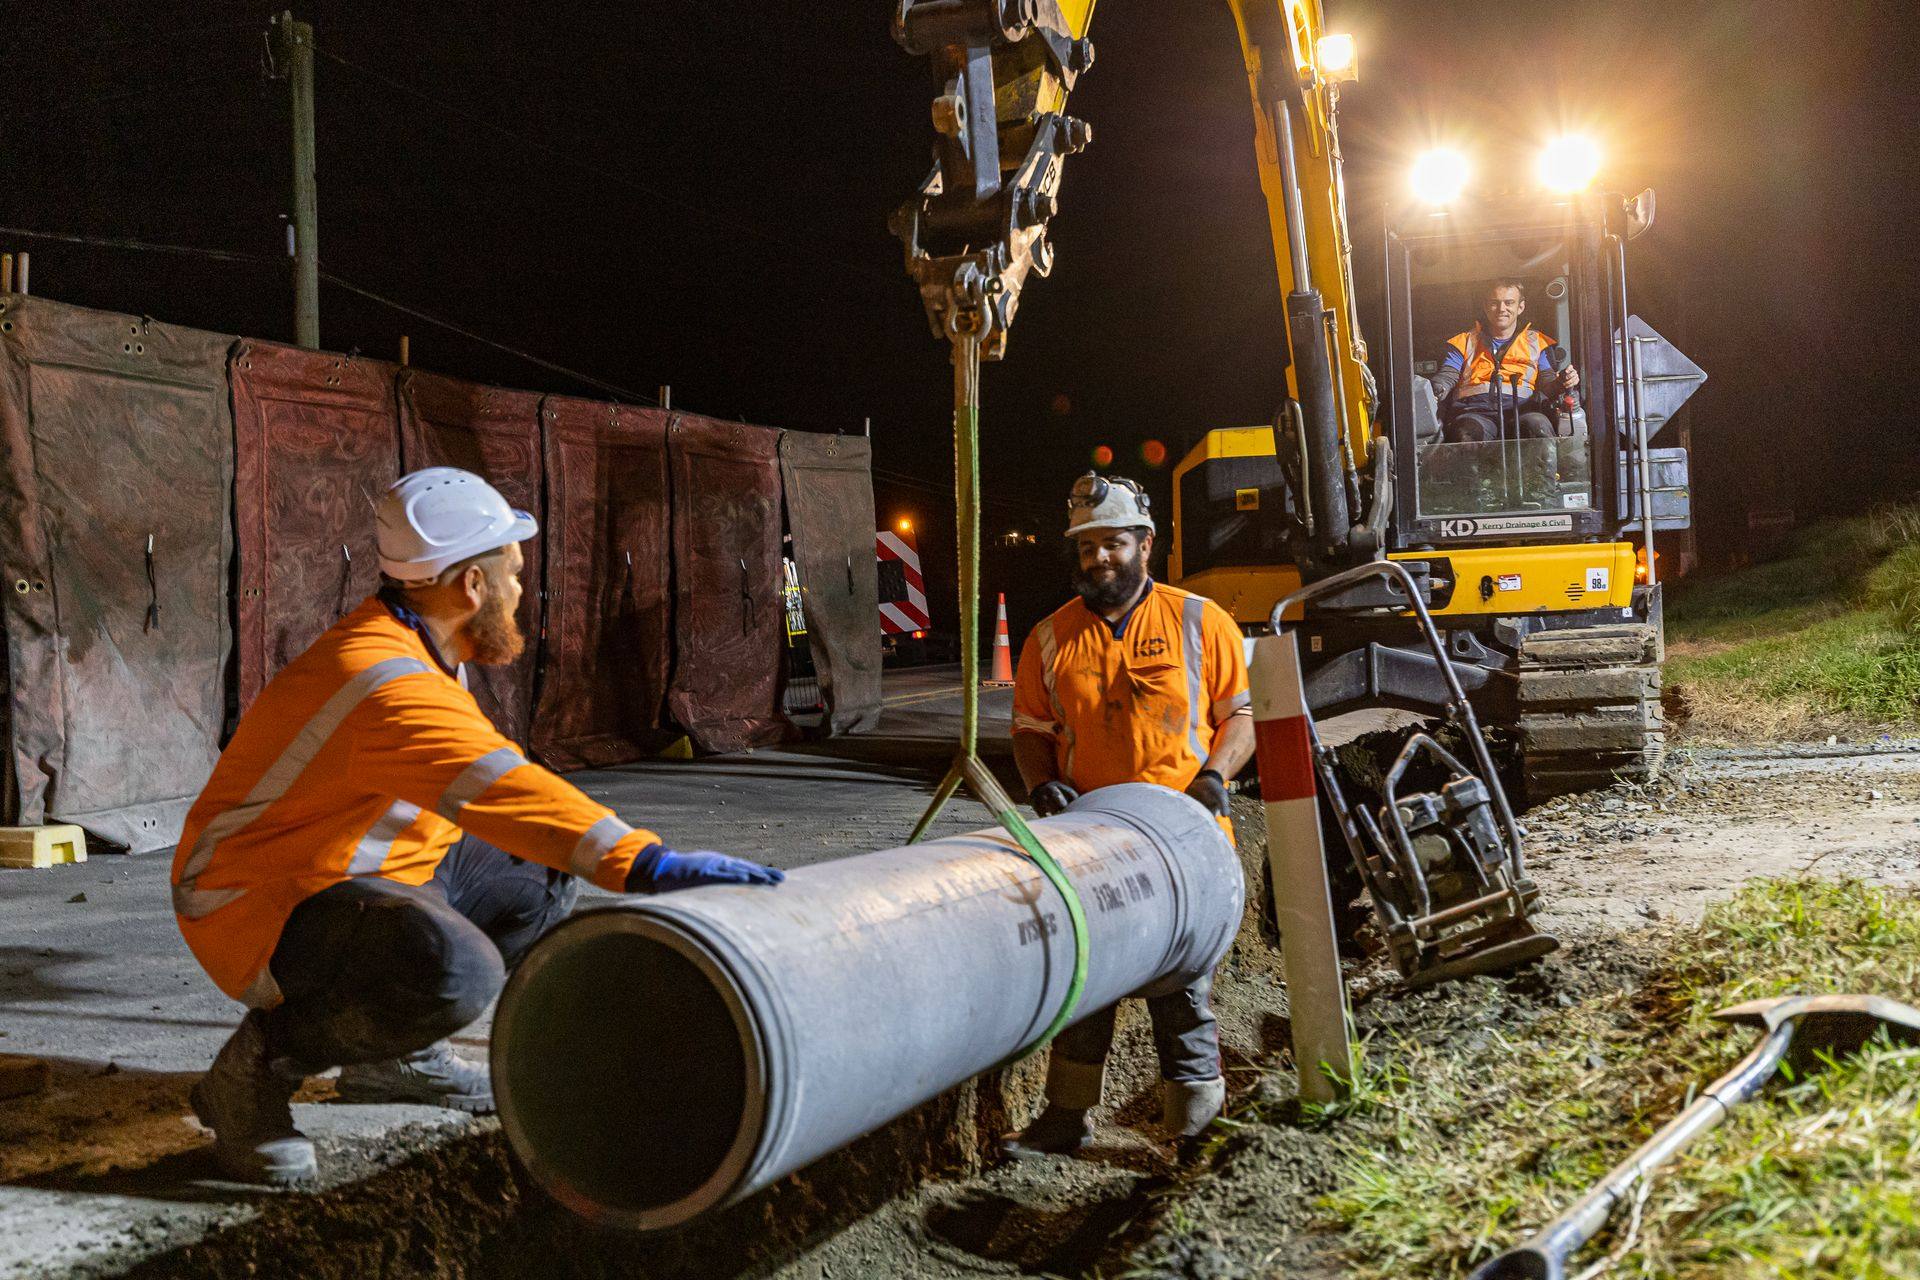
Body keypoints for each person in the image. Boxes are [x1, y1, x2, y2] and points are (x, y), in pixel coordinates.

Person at [172, 467, 784, 1185]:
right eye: (513, 575)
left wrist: (591, 849)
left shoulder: (416, 648)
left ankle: (395, 1056)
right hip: (255, 903)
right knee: (454, 971)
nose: (522, 591)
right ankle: (249, 1078)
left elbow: (488, 792)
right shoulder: (383, 679)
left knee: (541, 868)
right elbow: (496, 782)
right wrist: (644, 862)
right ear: (469, 586)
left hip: (351, 872)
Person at [1003, 471, 1255, 1157]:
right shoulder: (1051, 638)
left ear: (1146, 544)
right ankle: (1065, 1117)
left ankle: (1195, 1128)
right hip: (1094, 846)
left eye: (1112, 543)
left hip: (1187, 844)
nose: (1099, 559)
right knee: (1086, 988)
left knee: (1181, 996)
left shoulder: (1202, 621)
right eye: (1087, 549)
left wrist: (1213, 778)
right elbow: (1031, 729)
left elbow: (1241, 718)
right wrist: (1042, 785)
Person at [1429, 278, 1578, 444]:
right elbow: (1448, 375)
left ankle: (1542, 471)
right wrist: (1435, 389)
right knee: (1466, 434)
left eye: (1509, 302)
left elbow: (1548, 382)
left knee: (1538, 427)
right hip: (1475, 413)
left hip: (1522, 412)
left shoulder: (1536, 342)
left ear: (1520, 307)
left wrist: (1562, 381)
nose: (1501, 309)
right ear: (1486, 307)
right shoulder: (1464, 342)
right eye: (1494, 303)